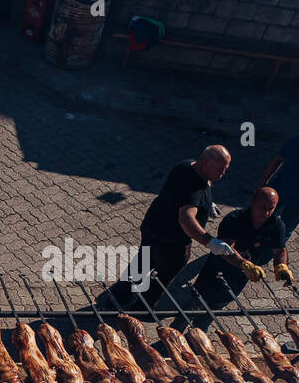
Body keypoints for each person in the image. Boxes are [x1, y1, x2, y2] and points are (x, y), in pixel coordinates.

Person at [100, 145, 232, 314]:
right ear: (205, 163)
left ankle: (119, 296)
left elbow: (184, 190)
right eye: (220, 169)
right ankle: (142, 307)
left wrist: (206, 202)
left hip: (152, 226)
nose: (222, 174)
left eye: (225, 169)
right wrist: (210, 242)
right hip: (172, 241)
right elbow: (186, 219)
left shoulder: (186, 165)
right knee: (164, 275)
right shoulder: (195, 189)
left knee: (143, 261)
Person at [183, 187, 291, 329]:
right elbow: (227, 250)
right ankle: (178, 326)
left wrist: (281, 266)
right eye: (262, 208)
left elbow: (280, 250)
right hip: (215, 271)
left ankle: (199, 330)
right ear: (253, 202)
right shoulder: (234, 219)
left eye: (271, 209)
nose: (266, 213)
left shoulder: (276, 225)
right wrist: (245, 264)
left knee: (217, 306)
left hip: (239, 278)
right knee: (197, 301)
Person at [258, 130, 299, 248]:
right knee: (260, 217)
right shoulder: (297, 140)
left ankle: (271, 251)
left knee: (285, 230)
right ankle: (251, 244)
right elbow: (278, 159)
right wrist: (264, 180)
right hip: (279, 189)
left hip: (296, 203)